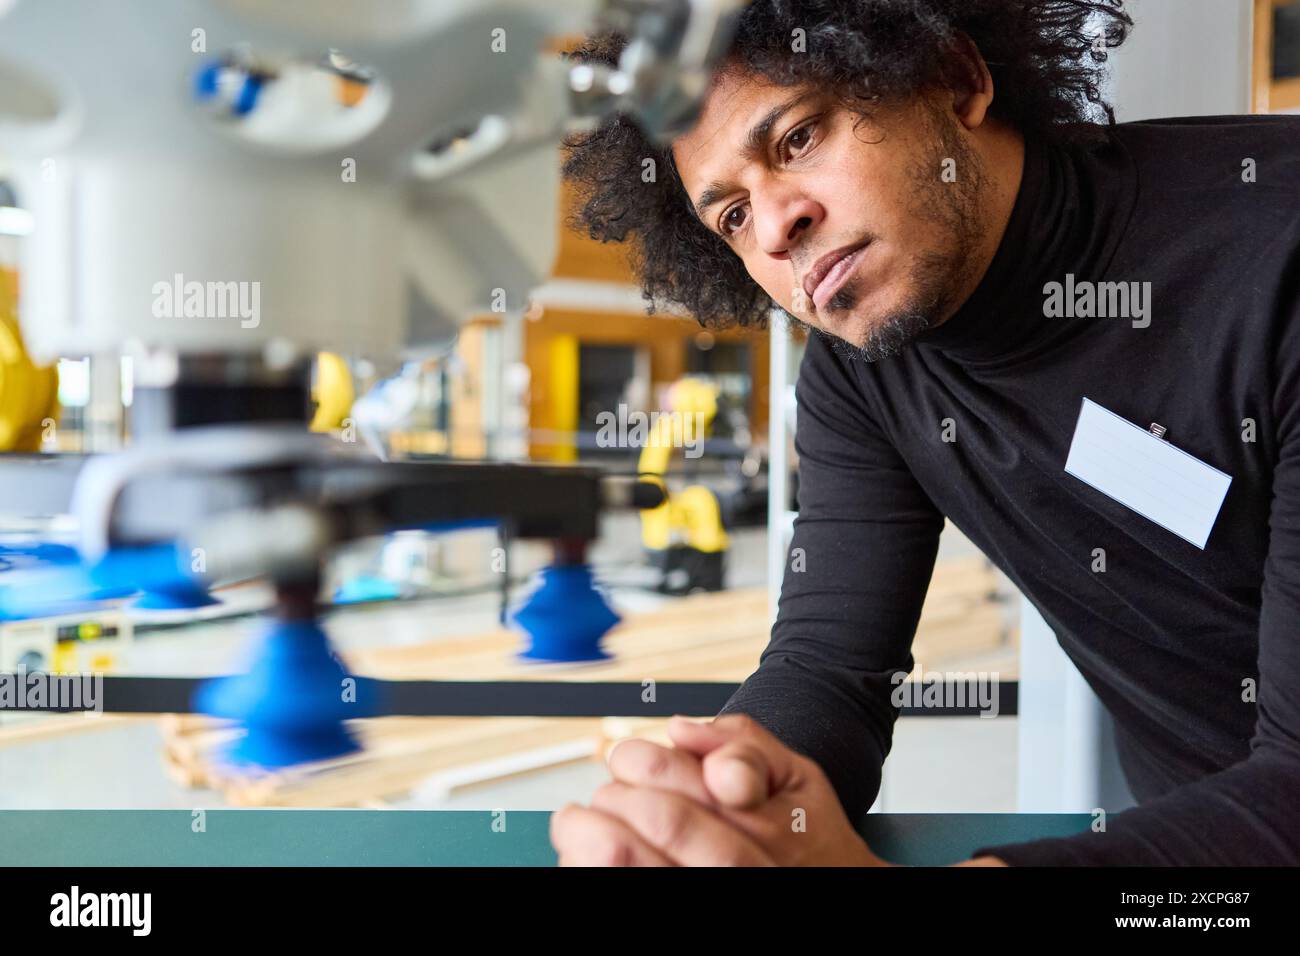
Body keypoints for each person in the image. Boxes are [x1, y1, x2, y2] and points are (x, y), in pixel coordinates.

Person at [549, 0, 1300, 865]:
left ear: (955, 78)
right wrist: (736, 789)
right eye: (732, 217)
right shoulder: (862, 373)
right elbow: (830, 667)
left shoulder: (1274, 257)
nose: (777, 226)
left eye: (796, 139)